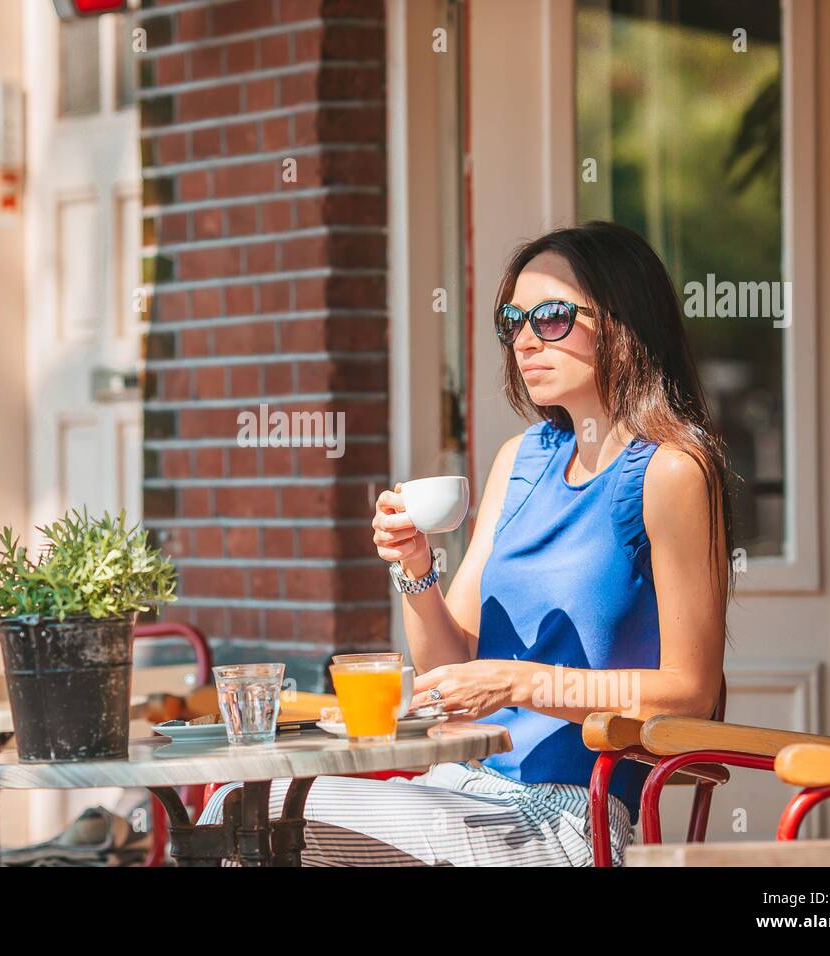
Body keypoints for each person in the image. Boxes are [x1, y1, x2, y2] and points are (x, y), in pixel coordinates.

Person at [200, 221, 731, 865]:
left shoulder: (670, 471)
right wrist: (415, 569)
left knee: (250, 817)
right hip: (457, 786)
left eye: (554, 317)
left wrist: (520, 684)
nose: (526, 341)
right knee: (238, 801)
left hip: (565, 813)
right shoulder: (521, 460)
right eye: (515, 322)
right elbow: (445, 667)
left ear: (623, 321)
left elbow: (690, 693)